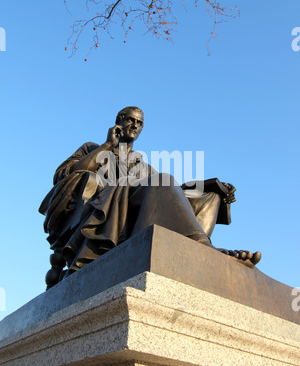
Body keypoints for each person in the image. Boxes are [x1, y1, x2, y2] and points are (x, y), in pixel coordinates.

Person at [40, 106, 261, 289]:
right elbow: (66, 174)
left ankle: (194, 250)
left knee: (208, 197)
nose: (135, 126)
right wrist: (109, 145)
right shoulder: (92, 148)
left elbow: (169, 191)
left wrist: (208, 188)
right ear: (119, 120)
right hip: (103, 204)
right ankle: (202, 248)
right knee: (162, 179)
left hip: (134, 205)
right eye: (131, 120)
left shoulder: (140, 163)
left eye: (140, 123)